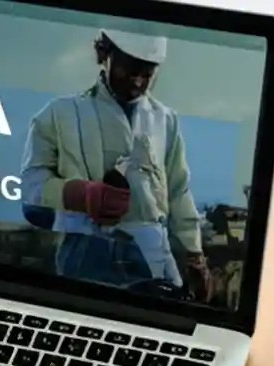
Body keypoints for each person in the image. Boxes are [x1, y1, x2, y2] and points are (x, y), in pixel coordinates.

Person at [21, 29, 212, 300]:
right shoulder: (58, 114)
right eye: (129, 70)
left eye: (147, 74)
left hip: (152, 257)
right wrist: (81, 195)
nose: (137, 82)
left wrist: (195, 257)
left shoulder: (166, 121)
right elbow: (30, 189)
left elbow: (178, 191)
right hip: (86, 254)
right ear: (104, 54)